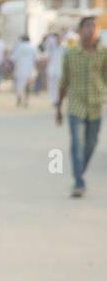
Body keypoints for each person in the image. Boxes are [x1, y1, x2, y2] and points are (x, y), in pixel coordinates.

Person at [55, 16, 107, 197]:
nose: (90, 30)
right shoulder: (70, 54)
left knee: (91, 144)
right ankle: (79, 181)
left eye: (94, 27)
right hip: (76, 105)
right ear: (79, 31)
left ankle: (79, 172)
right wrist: (58, 109)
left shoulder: (104, 53)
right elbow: (64, 82)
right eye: (86, 26)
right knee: (77, 144)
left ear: (98, 31)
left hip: (95, 105)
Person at [11, 34, 37, 106]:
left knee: (19, 84)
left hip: (19, 69)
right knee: (27, 85)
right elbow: (36, 58)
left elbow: (13, 58)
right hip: (29, 69)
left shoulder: (18, 47)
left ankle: (19, 98)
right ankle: (26, 100)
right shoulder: (32, 47)